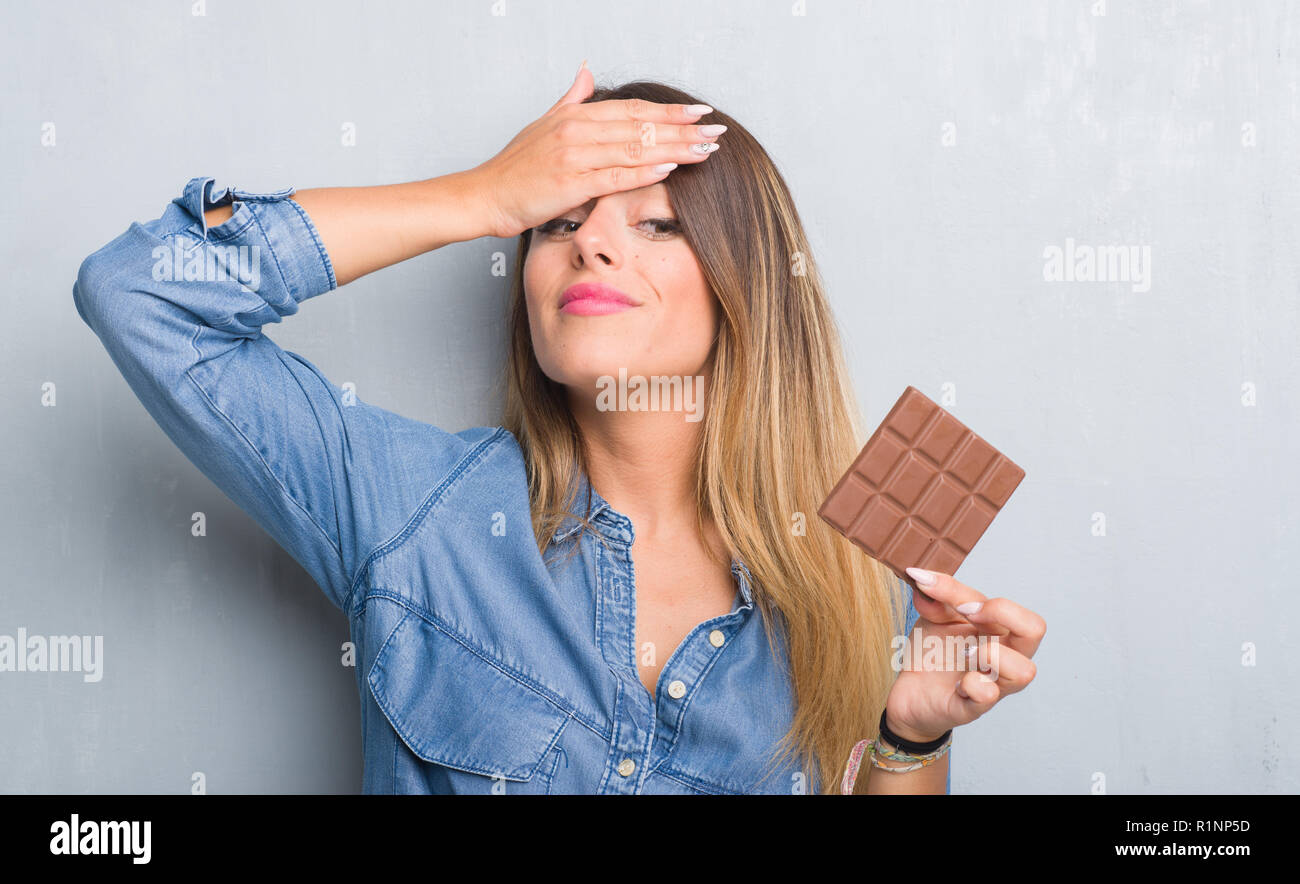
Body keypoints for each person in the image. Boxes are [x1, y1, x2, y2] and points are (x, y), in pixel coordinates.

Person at [72, 61, 1044, 794]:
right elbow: (140, 292)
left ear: (743, 289)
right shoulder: (410, 505)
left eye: (656, 224)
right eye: (555, 220)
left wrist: (911, 735)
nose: (591, 239)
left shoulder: (866, 569)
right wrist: (481, 195)